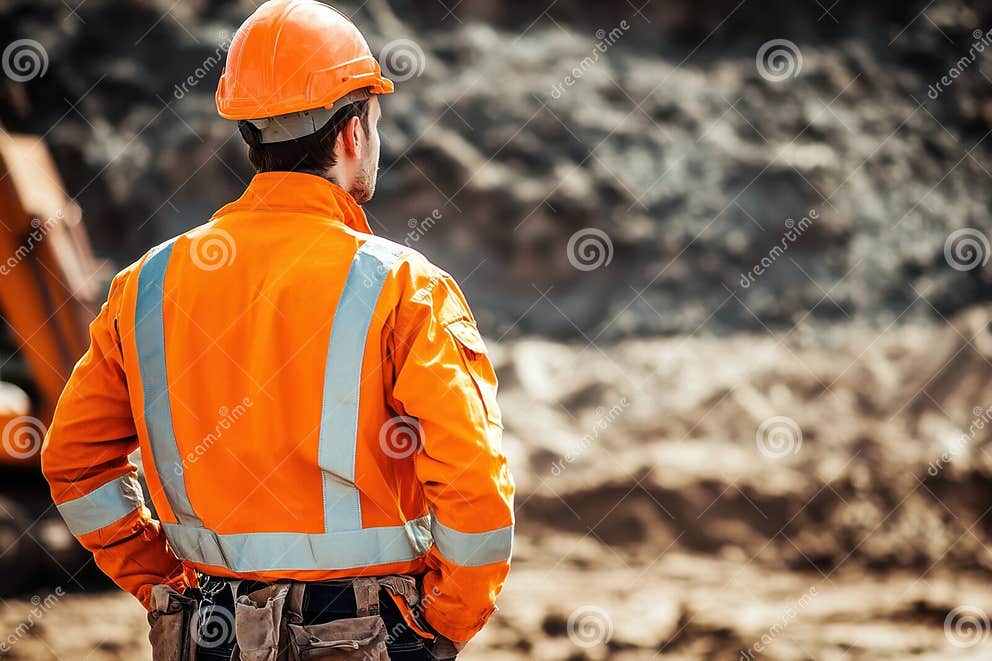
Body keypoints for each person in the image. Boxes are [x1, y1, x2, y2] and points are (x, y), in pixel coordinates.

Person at [40, 1, 514, 658]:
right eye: (373, 122)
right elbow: (475, 487)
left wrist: (161, 578)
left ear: (251, 135)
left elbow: (74, 463)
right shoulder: (403, 287)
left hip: (208, 627)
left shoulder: (146, 285)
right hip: (363, 631)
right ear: (352, 134)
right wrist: (440, 621)